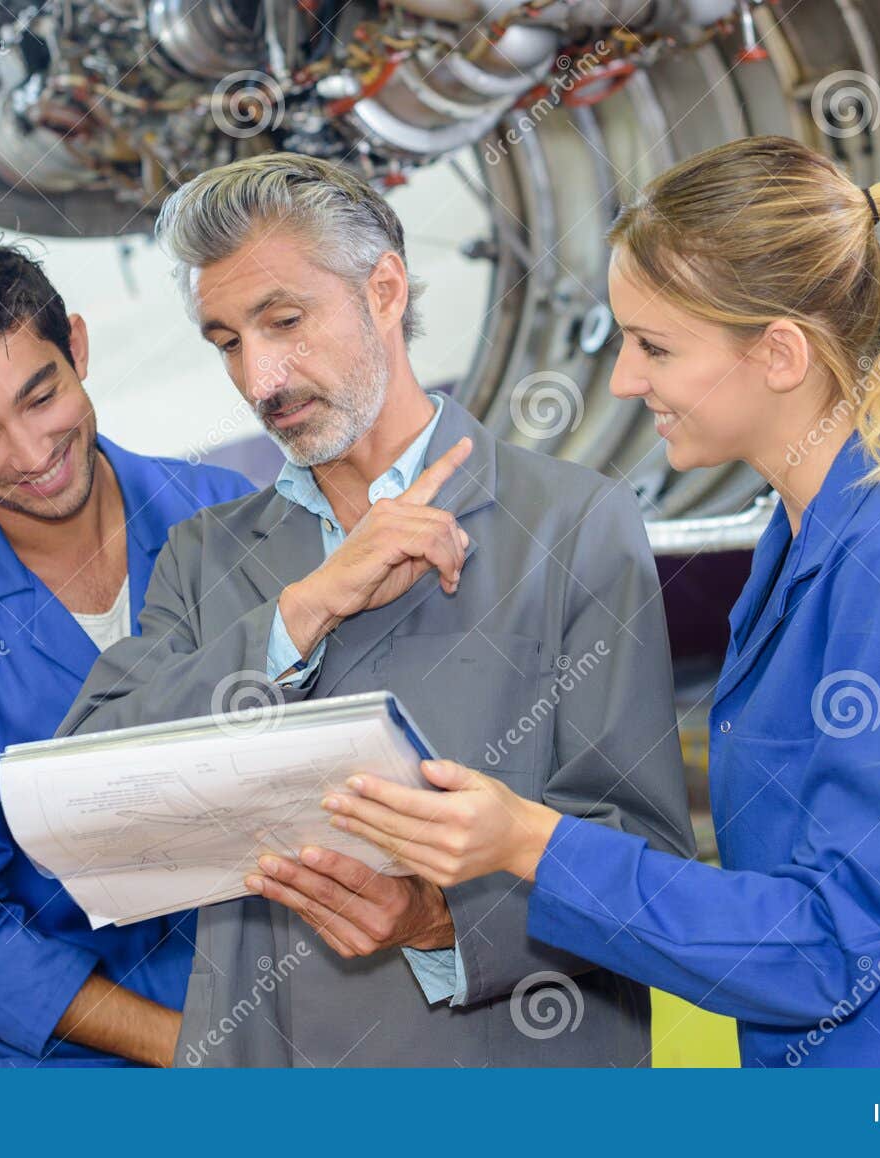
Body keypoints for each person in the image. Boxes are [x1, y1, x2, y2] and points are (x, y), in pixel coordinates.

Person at [320, 135, 880, 1066]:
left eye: (655, 345)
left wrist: (534, 842)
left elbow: (827, 945)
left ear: (779, 353)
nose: (623, 379)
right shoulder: (803, 535)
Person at [56, 152, 694, 1066]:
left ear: (384, 290)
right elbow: (91, 791)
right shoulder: (209, 556)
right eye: (227, 340)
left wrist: (438, 922)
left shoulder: (571, 521)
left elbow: (641, 854)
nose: (259, 377)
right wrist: (301, 611)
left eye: (284, 321)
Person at [0, 239, 254, 1067]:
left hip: (290, 1024)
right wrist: (190, 1049)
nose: (32, 457)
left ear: (79, 350)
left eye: (41, 396)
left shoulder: (233, 519)